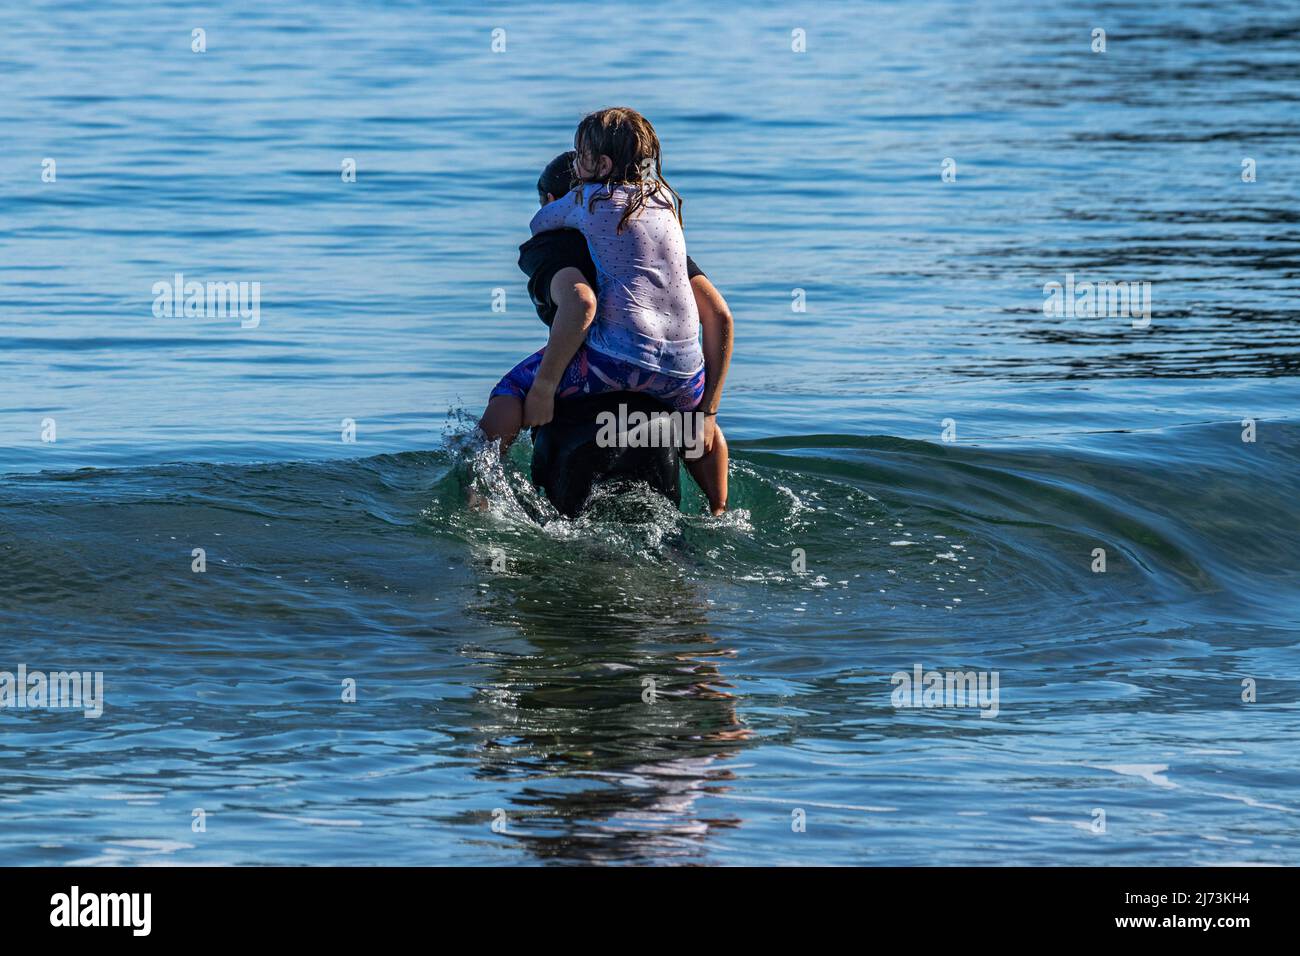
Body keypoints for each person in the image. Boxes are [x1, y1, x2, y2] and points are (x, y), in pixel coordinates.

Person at [479, 108, 733, 513]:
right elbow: (720, 317)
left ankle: (479, 487)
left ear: (599, 165)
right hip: (683, 374)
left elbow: (579, 297)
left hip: (615, 361)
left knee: (512, 388)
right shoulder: (664, 206)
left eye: (583, 156)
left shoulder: (582, 203)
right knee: (702, 426)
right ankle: (720, 508)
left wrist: (544, 388)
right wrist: (707, 414)